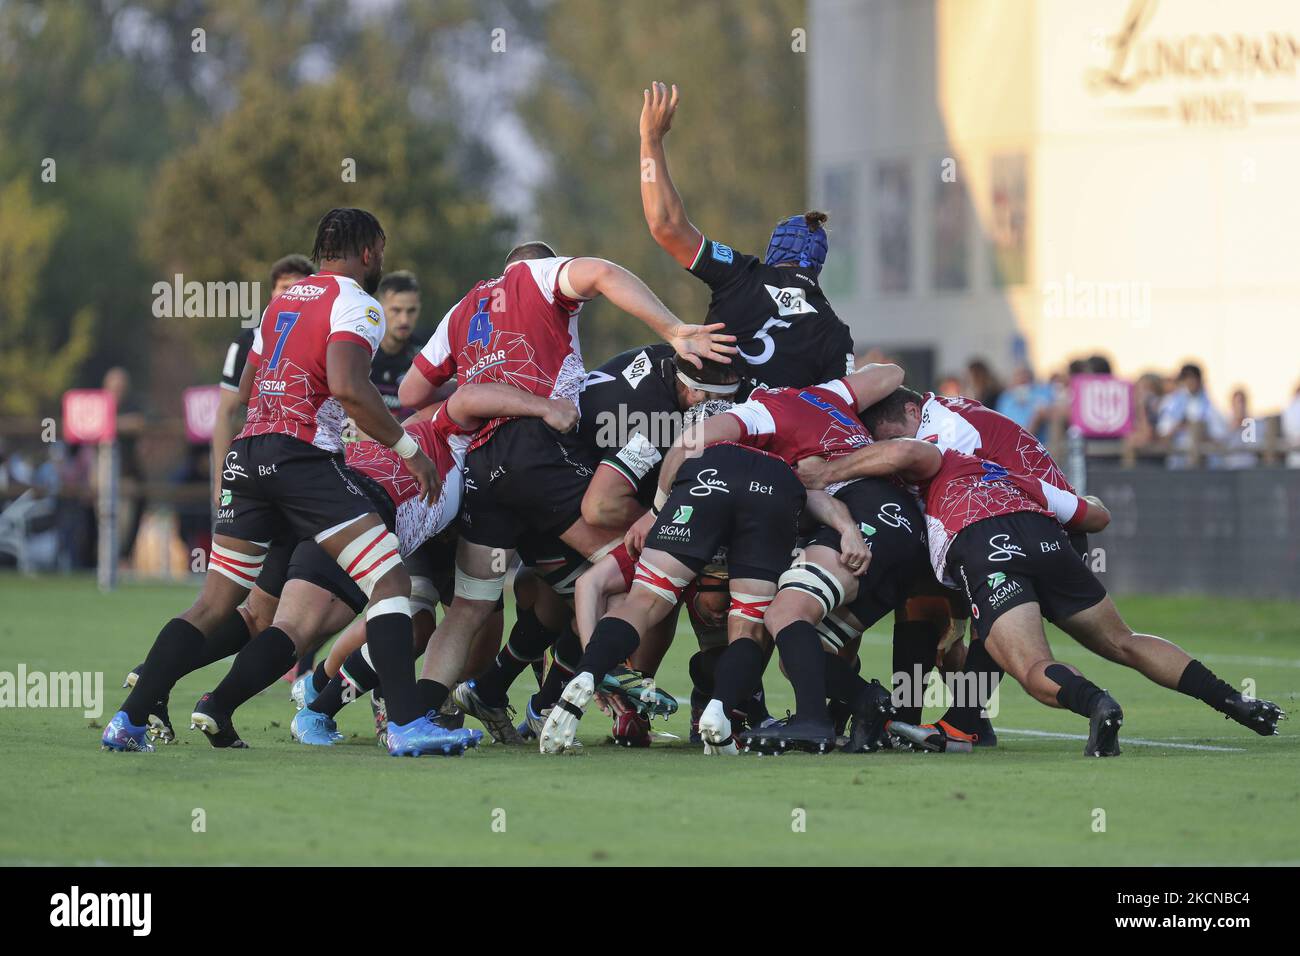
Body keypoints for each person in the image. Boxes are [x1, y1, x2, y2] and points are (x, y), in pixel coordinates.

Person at [103, 208, 452, 758]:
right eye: (380, 251)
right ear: (370, 250)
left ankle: (129, 718)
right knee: (389, 581)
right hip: (301, 461)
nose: (381, 260)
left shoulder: (280, 304)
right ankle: (408, 725)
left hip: (250, 456)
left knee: (222, 606)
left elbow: (245, 392)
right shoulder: (356, 302)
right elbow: (347, 386)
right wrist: (409, 450)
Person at [393, 241, 735, 735]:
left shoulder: (461, 309)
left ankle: (418, 716)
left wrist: (486, 389)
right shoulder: (536, 277)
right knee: (646, 574)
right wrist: (674, 329)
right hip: (536, 454)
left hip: (482, 470)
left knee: (471, 606)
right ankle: (596, 681)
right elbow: (602, 271)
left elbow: (410, 393)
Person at [826, 438, 1284, 754]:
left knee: (1028, 664)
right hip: (1048, 538)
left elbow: (903, 457)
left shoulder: (918, 474)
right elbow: (1095, 516)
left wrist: (829, 471)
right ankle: (1235, 702)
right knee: (1124, 639)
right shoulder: (1007, 472)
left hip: (986, 546)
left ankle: (1096, 704)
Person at [539, 363, 906, 755]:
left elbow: (684, 447)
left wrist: (657, 510)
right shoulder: (793, 420)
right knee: (750, 627)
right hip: (779, 487)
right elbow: (812, 486)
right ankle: (720, 710)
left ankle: (588, 675)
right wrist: (847, 527)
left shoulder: (743, 415)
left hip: (704, 482)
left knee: (643, 602)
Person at [800, 383, 1088, 751]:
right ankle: (926, 720)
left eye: (890, 439)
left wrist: (825, 474)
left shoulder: (946, 430)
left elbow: (916, 460)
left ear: (912, 412)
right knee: (925, 610)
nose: (891, 452)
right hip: (1010, 525)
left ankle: (963, 721)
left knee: (984, 624)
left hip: (1030, 528)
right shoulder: (941, 417)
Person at [638, 81, 854, 390]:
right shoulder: (835, 334)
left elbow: (665, 225)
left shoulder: (742, 274)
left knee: (656, 358)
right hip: (763, 436)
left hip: (695, 418)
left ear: (773, 249)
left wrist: (651, 139)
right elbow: (839, 412)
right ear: (818, 266)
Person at [370, 270, 424, 419]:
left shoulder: (425, 356)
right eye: (396, 310)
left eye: (411, 311)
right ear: (379, 308)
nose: (404, 320)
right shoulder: (361, 351)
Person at [1157, 363, 1228, 468]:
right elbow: (1163, 432)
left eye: (1193, 378)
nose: (1190, 382)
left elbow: (1219, 435)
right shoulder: (1171, 403)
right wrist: (1179, 426)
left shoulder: (1210, 406)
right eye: (1186, 378)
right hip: (1178, 461)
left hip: (1203, 464)